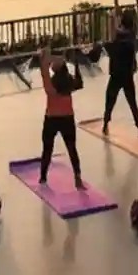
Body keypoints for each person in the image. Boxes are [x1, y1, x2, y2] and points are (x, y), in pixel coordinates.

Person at [39, 45, 85, 188]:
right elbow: (80, 83)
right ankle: (77, 177)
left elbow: (44, 71)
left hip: (52, 118)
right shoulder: (69, 81)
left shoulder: (51, 85)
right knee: (72, 149)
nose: (52, 64)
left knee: (47, 149)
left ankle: (43, 177)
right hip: (67, 118)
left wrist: (44, 57)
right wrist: (76, 62)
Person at [102, 8, 138, 138]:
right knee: (132, 102)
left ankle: (105, 124)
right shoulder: (131, 35)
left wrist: (112, 17)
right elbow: (117, 32)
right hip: (127, 75)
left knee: (110, 101)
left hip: (116, 75)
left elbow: (112, 32)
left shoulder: (118, 35)